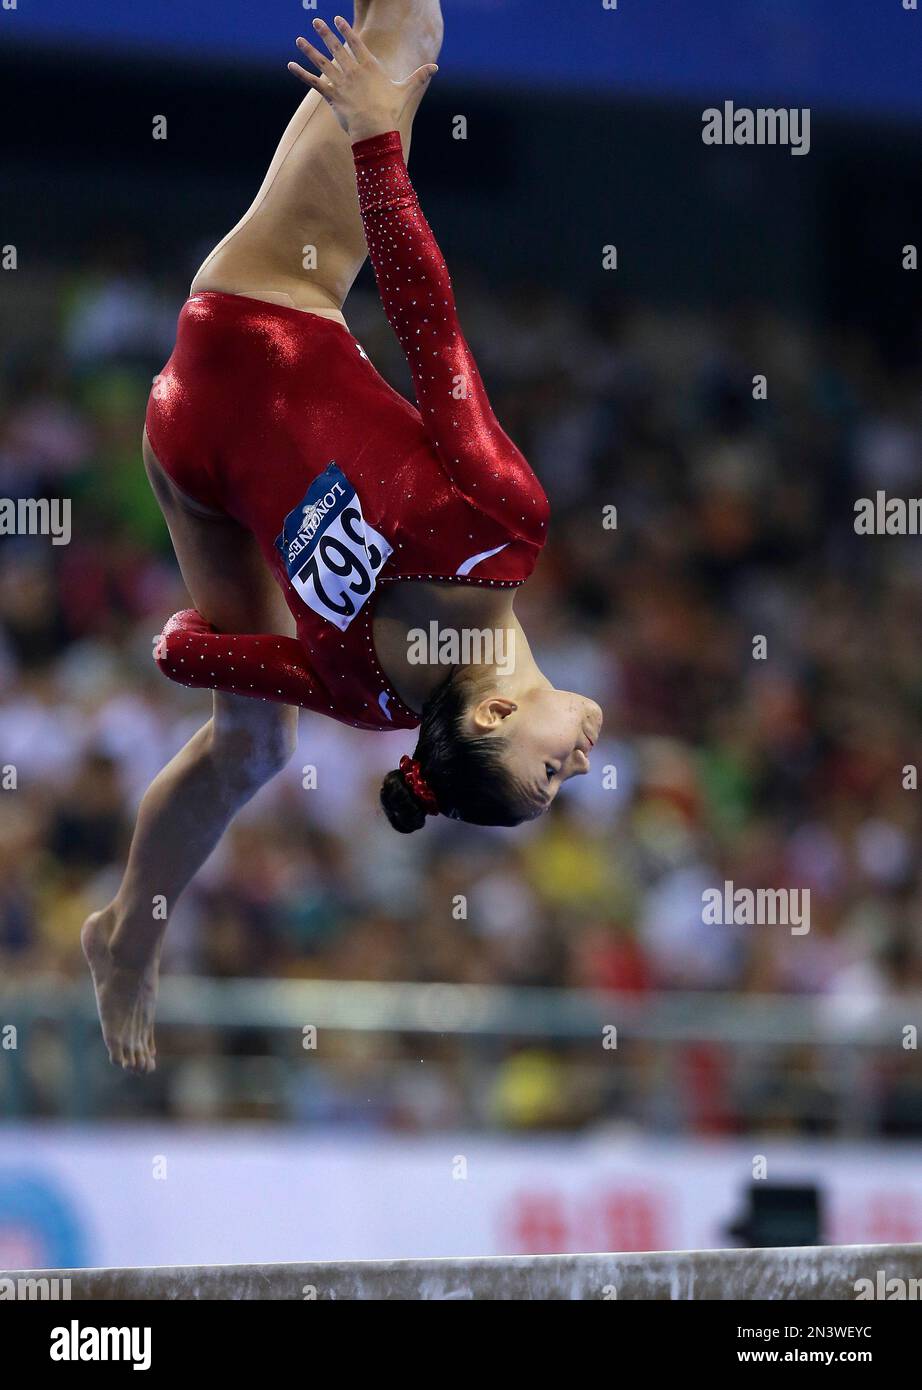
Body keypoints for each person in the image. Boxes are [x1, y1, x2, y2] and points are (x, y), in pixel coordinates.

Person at [82, 3, 603, 1072]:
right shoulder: (370, 702)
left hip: (259, 312)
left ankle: (131, 930)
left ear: (496, 713)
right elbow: (185, 654)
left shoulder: (502, 528)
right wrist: (205, 627)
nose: (581, 767)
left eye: (551, 772)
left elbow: (428, 322)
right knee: (252, 747)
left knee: (409, 26)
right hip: (187, 460)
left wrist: (376, 138)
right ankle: (129, 932)